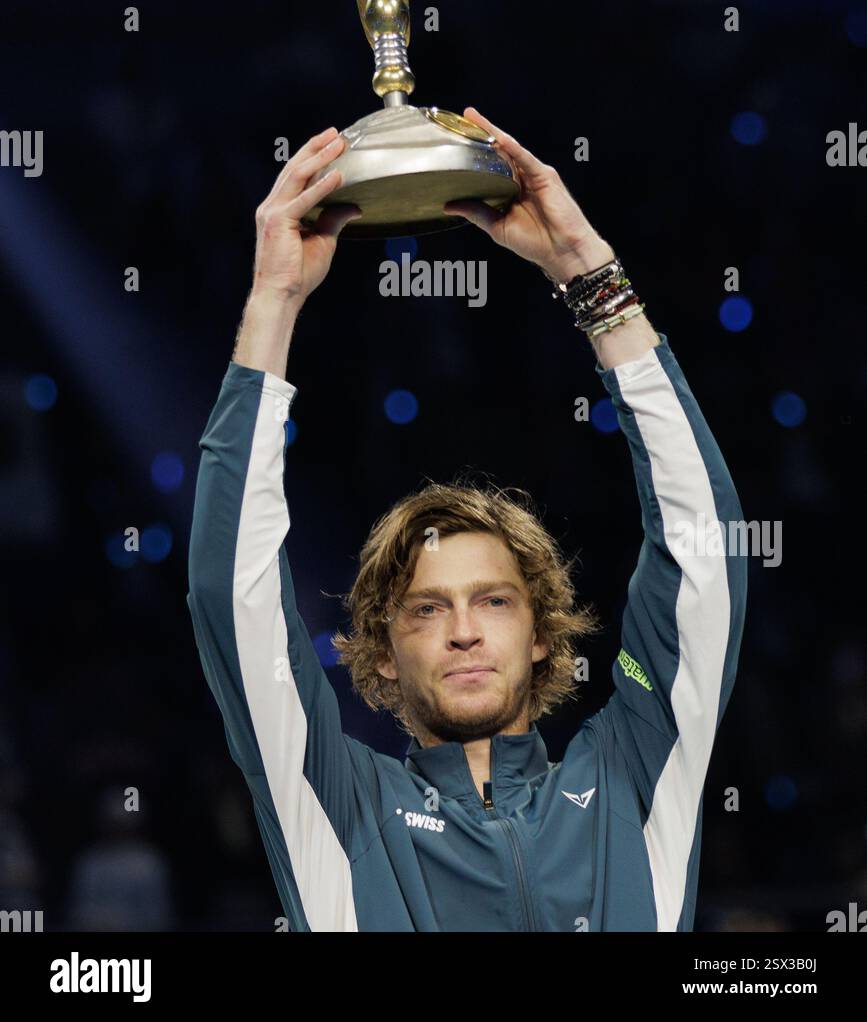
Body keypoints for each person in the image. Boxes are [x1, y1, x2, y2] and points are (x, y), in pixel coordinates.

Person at [187, 107, 747, 932]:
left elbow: (703, 551)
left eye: (493, 600)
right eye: (426, 608)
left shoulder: (635, 769)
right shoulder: (338, 811)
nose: (463, 632)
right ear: (380, 648)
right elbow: (230, 594)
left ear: (543, 632)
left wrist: (590, 276)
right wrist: (273, 299)